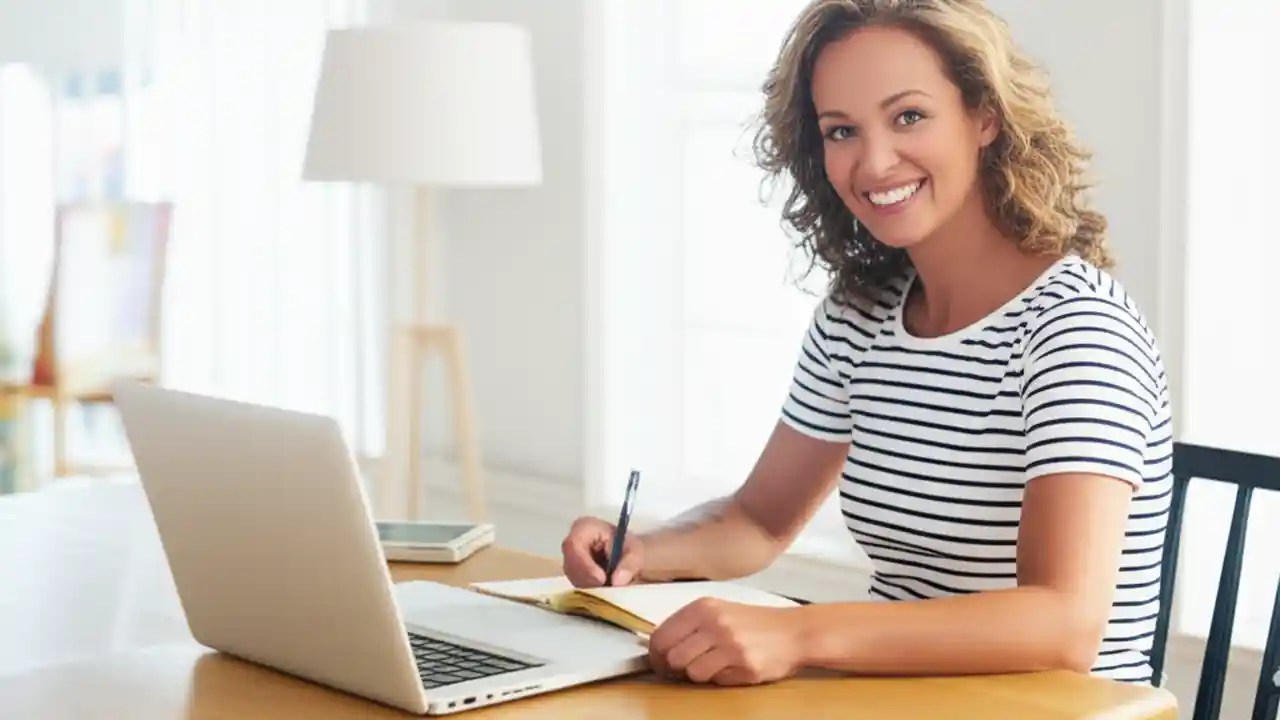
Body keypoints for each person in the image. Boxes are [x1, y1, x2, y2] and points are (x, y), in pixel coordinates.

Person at [561, 0, 1172, 688]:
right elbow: (757, 521)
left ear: (984, 116)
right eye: (842, 130)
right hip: (898, 700)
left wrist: (799, 633)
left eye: (909, 116)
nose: (874, 162)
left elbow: (1062, 625)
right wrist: (642, 550)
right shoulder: (861, 315)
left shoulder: (1075, 330)